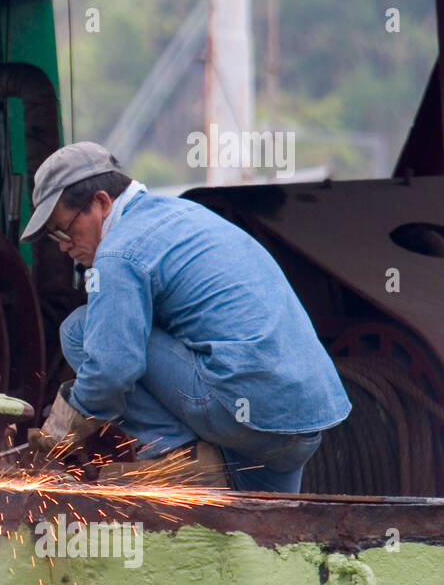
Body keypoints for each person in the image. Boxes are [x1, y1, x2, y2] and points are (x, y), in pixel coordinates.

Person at [20, 142, 350, 493]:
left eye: (63, 230)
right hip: (304, 422)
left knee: (80, 330)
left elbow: (111, 370)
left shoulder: (119, 252)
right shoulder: (185, 216)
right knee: (260, 534)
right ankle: (208, 471)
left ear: (101, 203)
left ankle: (178, 457)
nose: (62, 246)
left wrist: (57, 435)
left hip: (244, 412)